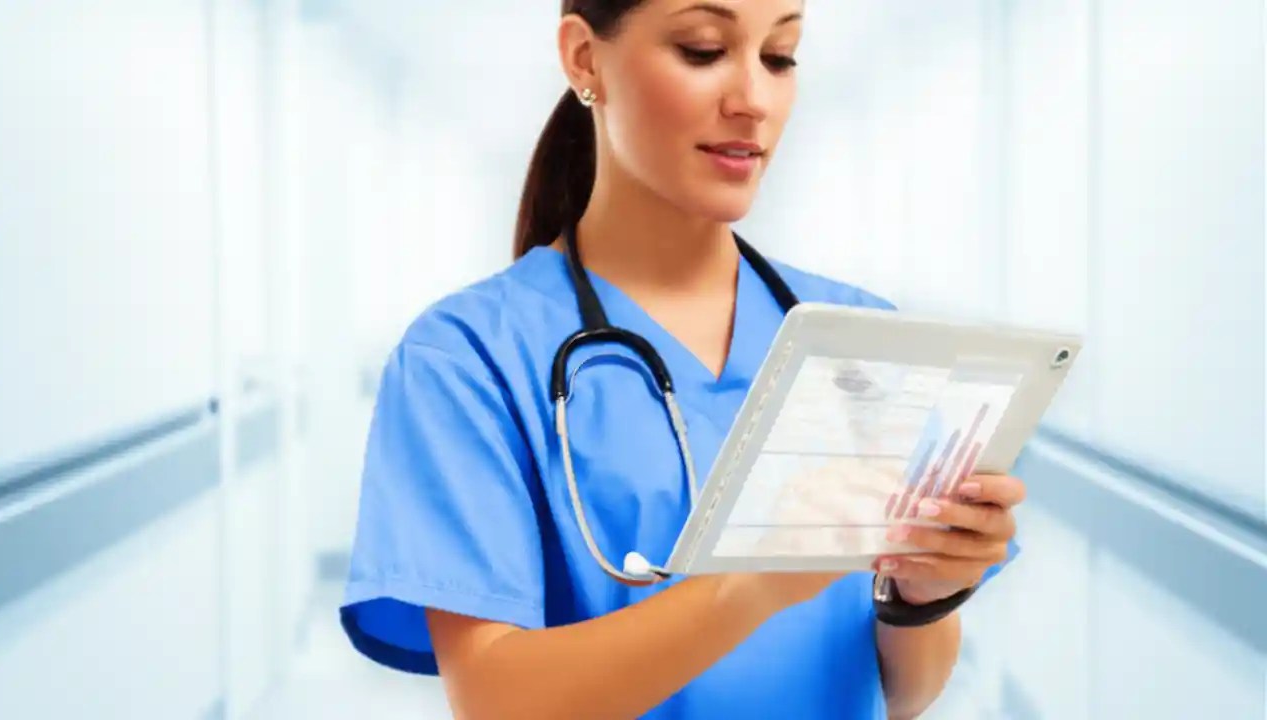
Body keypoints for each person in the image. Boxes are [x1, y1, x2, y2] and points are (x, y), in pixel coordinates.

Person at [339, 1, 1025, 718]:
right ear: (584, 59)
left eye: (779, 56)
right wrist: (752, 584)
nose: (753, 100)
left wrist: (922, 595)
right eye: (702, 50)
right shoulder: (467, 357)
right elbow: (495, 700)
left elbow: (906, 691)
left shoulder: (863, 340)